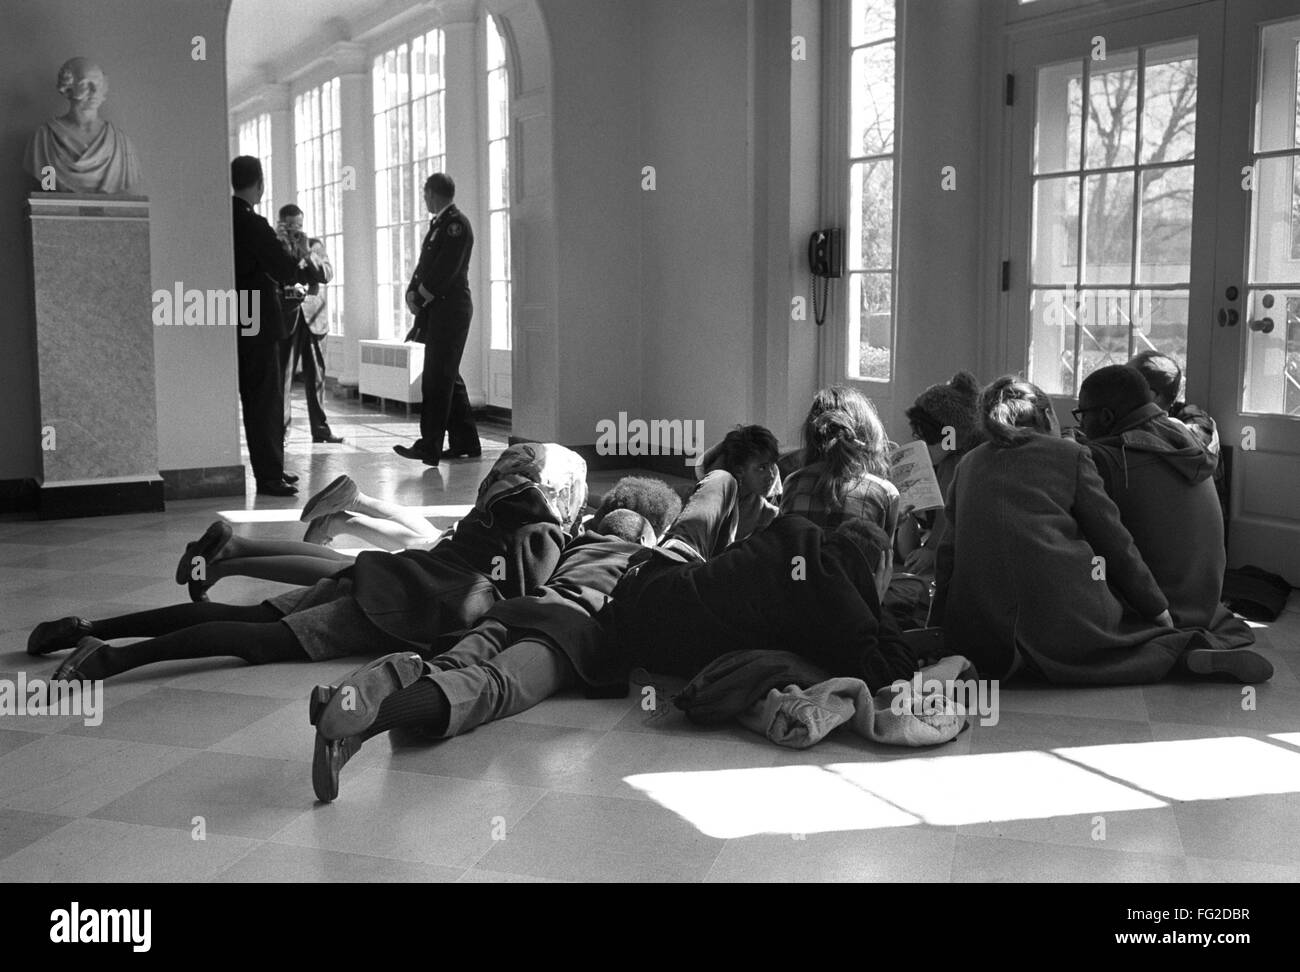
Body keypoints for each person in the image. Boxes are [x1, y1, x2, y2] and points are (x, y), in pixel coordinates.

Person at [30, 443, 591, 679]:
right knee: (249, 639)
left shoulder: (490, 505)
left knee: (244, 620)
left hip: (389, 580)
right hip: (403, 609)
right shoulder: (542, 531)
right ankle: (109, 660)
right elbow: (524, 603)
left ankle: (90, 629)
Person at [932, 376, 1271, 685]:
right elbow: (1115, 543)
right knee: (1125, 638)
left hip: (982, 628)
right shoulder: (1071, 454)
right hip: (1063, 617)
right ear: (1047, 416)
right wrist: (1157, 608)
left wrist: (938, 626)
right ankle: (1179, 654)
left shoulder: (968, 464)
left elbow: (947, 553)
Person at [309, 507, 659, 801]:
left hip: (515, 611)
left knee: (448, 665)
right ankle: (354, 729)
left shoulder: (579, 545)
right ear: (643, 539)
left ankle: (373, 691)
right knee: (492, 685)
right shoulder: (642, 558)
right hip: (567, 629)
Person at [1074, 365, 1255, 652]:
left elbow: (1104, 540)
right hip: (1204, 605)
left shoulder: (1102, 459)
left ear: (1107, 416)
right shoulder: (1186, 437)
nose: (1081, 425)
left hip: (1154, 613)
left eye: (1082, 415)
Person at [394, 173, 481, 467]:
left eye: (424, 194)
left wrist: (419, 297)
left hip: (451, 311)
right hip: (440, 311)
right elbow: (425, 265)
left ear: (431, 193)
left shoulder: (456, 225)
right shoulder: (441, 225)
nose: (424, 199)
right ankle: (466, 442)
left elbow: (445, 270)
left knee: (436, 379)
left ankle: (429, 445)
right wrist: (411, 292)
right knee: (448, 376)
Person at [780, 385, 900, 598]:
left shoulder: (792, 482)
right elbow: (882, 571)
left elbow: (786, 554)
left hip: (796, 603)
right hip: (855, 609)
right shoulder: (885, 492)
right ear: (868, 431)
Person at [231, 156, 302, 497]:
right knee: (265, 400)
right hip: (258, 320)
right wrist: (294, 251)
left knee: (258, 398)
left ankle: (272, 468)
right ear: (260, 184)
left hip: (236, 314)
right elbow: (285, 268)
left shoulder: (224, 219)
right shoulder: (254, 224)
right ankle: (270, 474)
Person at [1128, 350, 1227, 532]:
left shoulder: (1195, 420)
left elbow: (1196, 448)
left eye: (1126, 386)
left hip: (1192, 525)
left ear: (1152, 395)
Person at [24, 58, 143, 194]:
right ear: (68, 88)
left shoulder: (120, 144)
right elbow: (48, 186)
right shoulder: (43, 139)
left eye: (99, 83)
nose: (95, 90)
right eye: (86, 84)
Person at [275, 205, 341, 444]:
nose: (296, 230)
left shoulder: (314, 245)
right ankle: (281, 432)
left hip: (314, 317)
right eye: (290, 225)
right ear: (282, 223)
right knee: (284, 378)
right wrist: (282, 246)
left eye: (299, 225)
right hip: (287, 315)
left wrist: (306, 254)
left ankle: (321, 430)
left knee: (317, 376)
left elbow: (327, 275)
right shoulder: (275, 245)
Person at [693, 425, 781, 544]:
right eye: (762, 468)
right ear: (739, 471)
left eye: (772, 466)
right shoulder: (701, 505)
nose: (771, 476)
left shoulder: (770, 515)